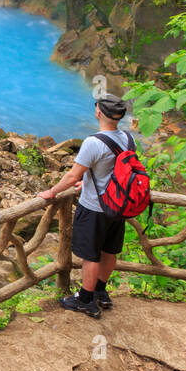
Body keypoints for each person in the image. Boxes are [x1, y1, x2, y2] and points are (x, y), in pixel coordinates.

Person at [37, 93, 135, 319]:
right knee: (109, 250)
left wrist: (52, 192)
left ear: (98, 112)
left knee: (90, 255)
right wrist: (90, 179)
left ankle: (85, 299)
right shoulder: (129, 139)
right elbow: (118, 170)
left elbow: (72, 176)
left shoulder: (94, 142)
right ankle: (101, 290)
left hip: (94, 207)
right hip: (118, 206)